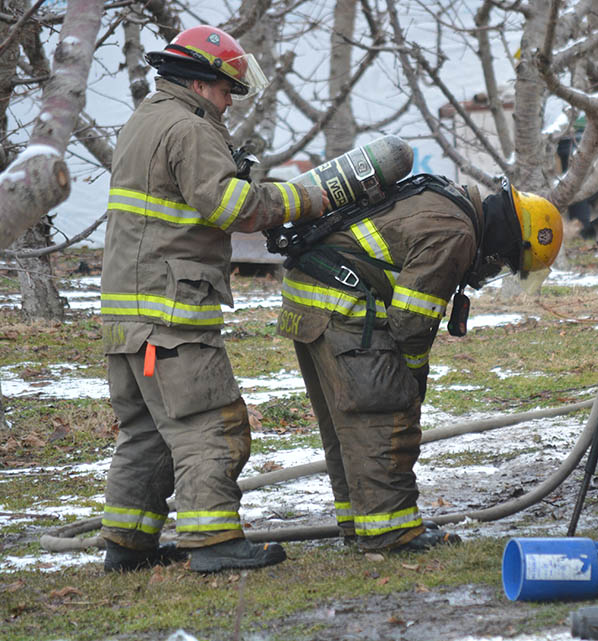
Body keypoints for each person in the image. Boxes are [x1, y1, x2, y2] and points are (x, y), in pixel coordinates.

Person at [98, 25, 330, 573]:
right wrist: (299, 200)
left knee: (149, 434)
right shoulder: (192, 128)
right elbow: (234, 209)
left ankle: (126, 547)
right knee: (210, 424)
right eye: (227, 90)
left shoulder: (145, 119)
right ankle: (216, 544)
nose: (230, 101)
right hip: (171, 316)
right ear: (202, 83)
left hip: (127, 318)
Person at [277, 172, 563, 553]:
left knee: (348, 427)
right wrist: (413, 376)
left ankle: (360, 524)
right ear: (506, 240)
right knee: (384, 413)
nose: (494, 269)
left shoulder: (446, 199)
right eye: (504, 262)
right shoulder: (456, 233)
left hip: (311, 299)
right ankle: (389, 532)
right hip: (342, 305)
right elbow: (411, 320)